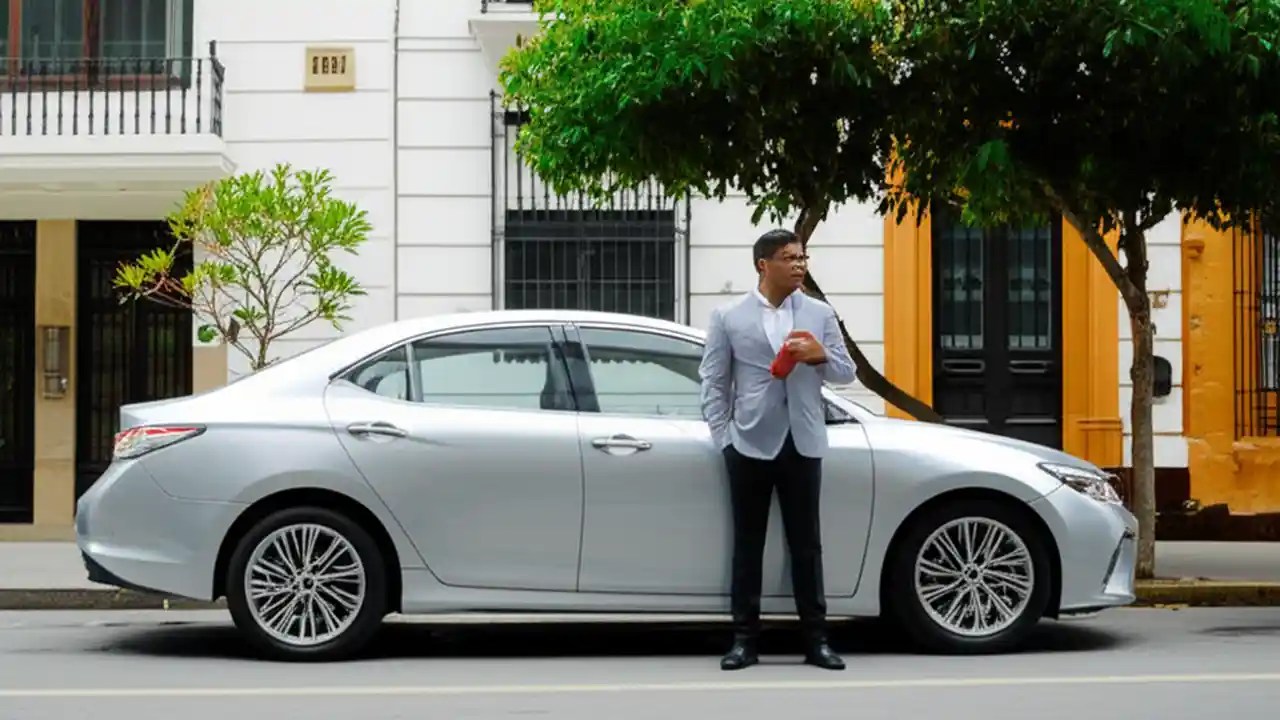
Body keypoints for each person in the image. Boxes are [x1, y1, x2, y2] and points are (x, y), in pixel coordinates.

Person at [698, 228, 857, 671]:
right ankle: (744, 642)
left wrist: (818, 354)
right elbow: (713, 381)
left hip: (803, 441)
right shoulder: (728, 315)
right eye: (789, 258)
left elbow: (847, 373)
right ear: (763, 265)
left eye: (803, 257)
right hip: (748, 442)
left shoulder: (820, 312)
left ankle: (817, 641)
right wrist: (723, 438)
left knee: (807, 545)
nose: (800, 265)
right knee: (747, 546)